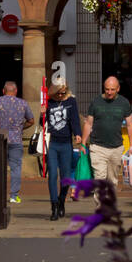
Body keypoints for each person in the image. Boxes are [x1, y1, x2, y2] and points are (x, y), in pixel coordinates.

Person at [0, 80, 34, 205]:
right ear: (16, 91)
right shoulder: (23, 103)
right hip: (16, 139)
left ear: (3, 91)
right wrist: (21, 127)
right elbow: (31, 121)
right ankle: (13, 196)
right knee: (16, 168)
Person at [82, 75, 132, 194]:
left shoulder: (124, 102)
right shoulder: (96, 101)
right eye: (107, 89)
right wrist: (83, 142)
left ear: (118, 89)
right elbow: (88, 123)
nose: (109, 92)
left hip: (116, 147)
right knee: (99, 178)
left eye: (112, 89)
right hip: (97, 147)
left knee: (112, 181)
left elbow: (130, 124)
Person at [43, 80, 82, 221]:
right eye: (58, 93)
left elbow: (74, 119)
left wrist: (78, 134)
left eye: (63, 93)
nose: (60, 95)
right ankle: (53, 206)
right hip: (53, 143)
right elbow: (43, 122)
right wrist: (42, 113)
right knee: (52, 174)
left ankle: (61, 200)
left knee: (65, 177)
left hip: (66, 143)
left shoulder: (71, 101)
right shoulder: (49, 102)